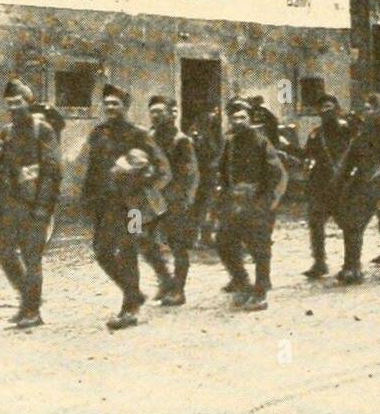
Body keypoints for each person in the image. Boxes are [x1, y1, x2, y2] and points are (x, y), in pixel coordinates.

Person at [82, 84, 173, 331]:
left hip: (132, 206)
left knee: (127, 250)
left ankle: (129, 308)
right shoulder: (98, 134)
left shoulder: (139, 134)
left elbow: (163, 170)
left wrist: (139, 182)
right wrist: (87, 198)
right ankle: (133, 292)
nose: (111, 108)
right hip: (106, 204)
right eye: (107, 103)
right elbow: (92, 169)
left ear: (125, 107)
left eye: (116, 104)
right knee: (102, 252)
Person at [0, 79, 62, 329]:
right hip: (9, 203)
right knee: (2, 251)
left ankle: (32, 311)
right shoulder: (7, 132)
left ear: (28, 103)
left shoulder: (43, 131)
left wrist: (43, 208)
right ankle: (28, 300)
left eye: (18, 103)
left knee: (31, 257)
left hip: (34, 204)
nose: (14, 108)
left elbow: (52, 172)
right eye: (10, 104)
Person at [212, 98, 288, 311]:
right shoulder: (229, 142)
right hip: (234, 202)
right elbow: (223, 171)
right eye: (234, 118)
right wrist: (222, 197)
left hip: (257, 201)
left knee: (259, 246)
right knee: (223, 242)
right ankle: (241, 280)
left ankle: (261, 291)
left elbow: (278, 174)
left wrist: (268, 202)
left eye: (242, 117)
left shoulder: (261, 142)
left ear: (250, 119)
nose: (238, 121)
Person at [140, 95, 200, 306]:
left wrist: (185, 199)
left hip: (174, 200)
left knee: (178, 246)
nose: (155, 115)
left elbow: (191, 174)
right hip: (150, 199)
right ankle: (165, 280)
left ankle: (178, 290)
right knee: (141, 238)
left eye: (160, 111)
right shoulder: (148, 136)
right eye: (153, 111)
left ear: (170, 114)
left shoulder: (181, 140)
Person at [336, 94, 380, 283]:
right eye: (365, 109)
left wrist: (372, 179)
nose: (367, 113)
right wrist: (340, 182)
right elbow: (348, 161)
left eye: (371, 109)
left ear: (379, 111)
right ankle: (353, 267)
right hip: (363, 187)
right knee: (353, 225)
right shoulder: (361, 136)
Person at [302, 93, 352, 280]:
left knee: (348, 224)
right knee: (316, 224)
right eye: (322, 109)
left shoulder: (347, 130)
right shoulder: (315, 134)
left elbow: (357, 153)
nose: (326, 111)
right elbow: (308, 155)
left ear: (337, 109)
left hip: (342, 184)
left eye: (329, 107)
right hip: (320, 185)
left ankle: (350, 264)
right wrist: (307, 163)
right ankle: (319, 262)